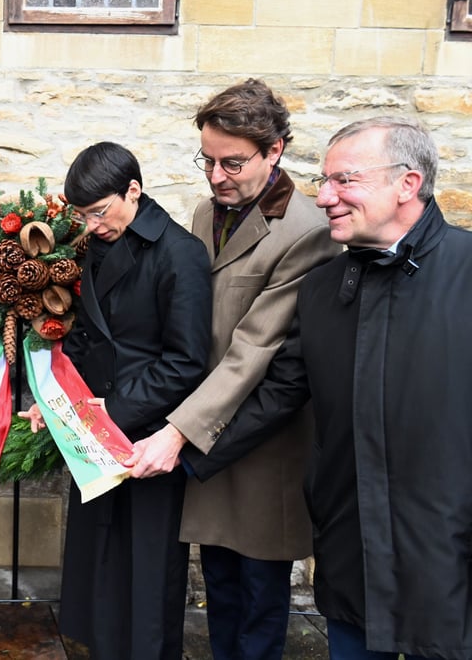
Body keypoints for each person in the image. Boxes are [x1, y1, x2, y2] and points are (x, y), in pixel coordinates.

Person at [182, 117, 469, 660]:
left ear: (407, 184)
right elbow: (278, 394)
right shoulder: (323, 289)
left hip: (448, 573)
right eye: (324, 179)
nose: (325, 196)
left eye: (344, 181)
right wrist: (178, 452)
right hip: (350, 566)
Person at [127, 79, 340, 659]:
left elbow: (253, 347)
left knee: (259, 598)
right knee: (218, 586)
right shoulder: (204, 210)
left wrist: (175, 430)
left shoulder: (308, 231)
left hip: (260, 443)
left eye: (233, 163)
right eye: (209, 160)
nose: (217, 176)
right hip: (205, 431)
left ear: (274, 152)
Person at [19, 141, 212, 659]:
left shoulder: (181, 253)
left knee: (147, 576)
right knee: (98, 566)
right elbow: (85, 340)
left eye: (99, 211)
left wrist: (112, 413)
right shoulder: (97, 246)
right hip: (96, 434)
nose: (90, 224)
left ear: (134, 189)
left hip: (146, 437)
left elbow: (187, 362)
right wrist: (60, 404)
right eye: (80, 215)